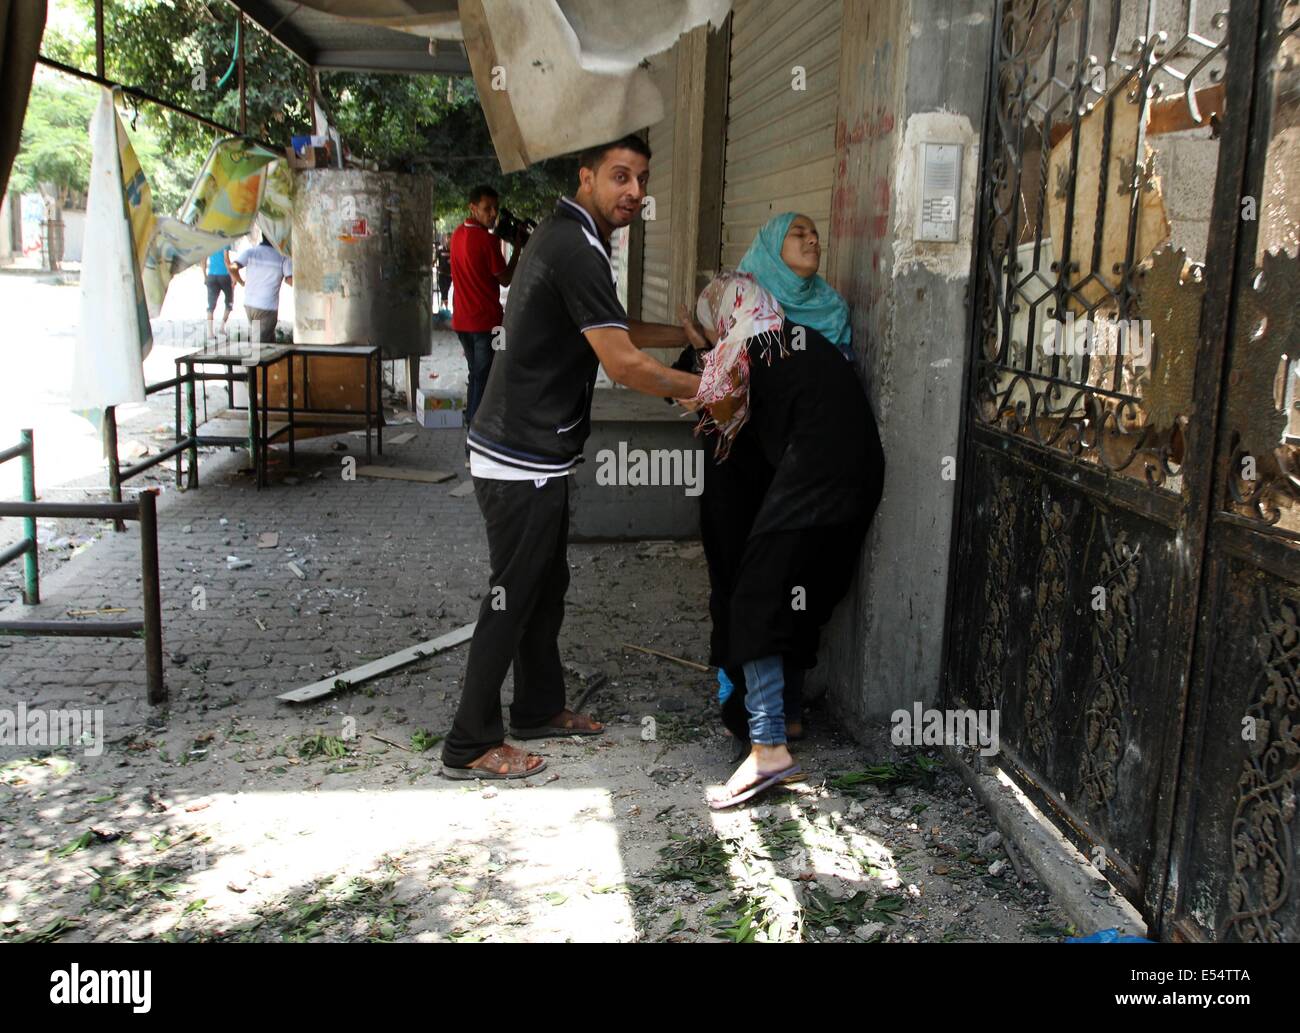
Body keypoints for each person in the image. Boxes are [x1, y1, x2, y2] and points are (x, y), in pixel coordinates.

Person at [441, 135, 703, 780]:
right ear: (586, 177)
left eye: (641, 179)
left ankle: (537, 707)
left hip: (536, 451)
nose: (634, 193)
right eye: (620, 177)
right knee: (512, 595)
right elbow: (621, 361)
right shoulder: (573, 245)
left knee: (545, 586)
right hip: (518, 457)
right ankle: (469, 740)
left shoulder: (572, 237)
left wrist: (687, 336)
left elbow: (612, 329)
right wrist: (711, 389)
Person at [680, 270, 884, 809]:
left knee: (757, 592)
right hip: (858, 477)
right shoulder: (796, 341)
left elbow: (717, 419)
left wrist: (705, 358)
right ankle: (788, 717)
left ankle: (768, 746)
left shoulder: (743, 351)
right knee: (798, 591)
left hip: (815, 476)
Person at [449, 185, 525, 460]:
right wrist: (517, 249)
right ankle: (476, 442)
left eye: (495, 208)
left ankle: (477, 436)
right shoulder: (488, 241)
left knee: (477, 377)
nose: (493, 214)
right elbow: (505, 278)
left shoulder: (457, 235)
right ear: (472, 207)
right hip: (488, 324)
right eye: (487, 209)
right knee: (487, 380)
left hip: (462, 324)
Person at [229, 236, 292, 344]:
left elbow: (232, 267)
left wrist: (241, 282)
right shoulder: (282, 257)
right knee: (260, 348)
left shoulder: (251, 252)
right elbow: (290, 280)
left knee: (266, 339)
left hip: (249, 305)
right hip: (266, 307)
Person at [205, 246, 235, 339]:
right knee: (229, 302)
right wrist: (233, 276)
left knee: (211, 306)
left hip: (211, 275)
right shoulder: (226, 242)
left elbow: (203, 259)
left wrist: (204, 275)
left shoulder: (210, 242)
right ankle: (222, 327)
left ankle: (210, 333)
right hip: (224, 276)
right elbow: (226, 260)